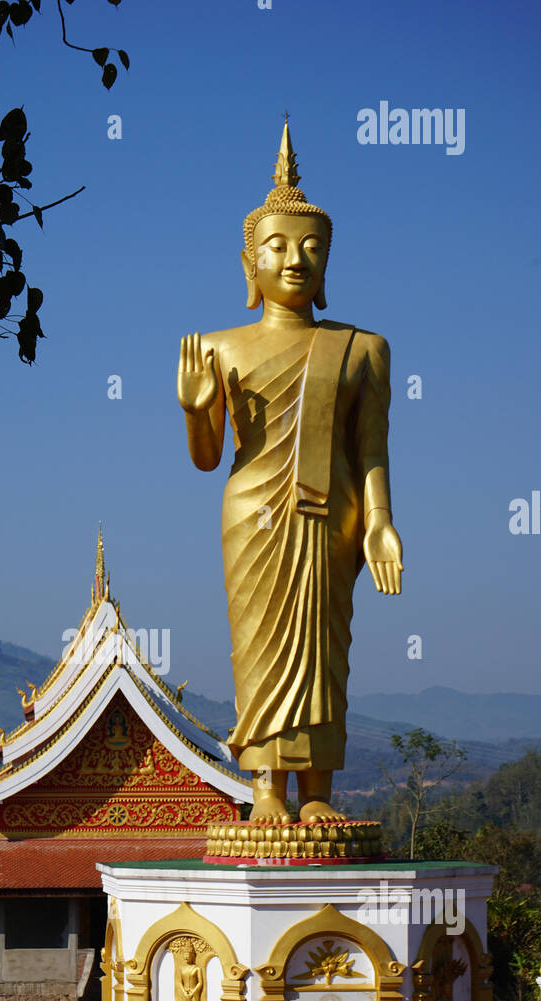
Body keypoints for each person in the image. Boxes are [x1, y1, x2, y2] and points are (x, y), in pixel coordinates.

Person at [178, 120, 403, 825]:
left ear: (329, 260)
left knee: (325, 649)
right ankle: (267, 789)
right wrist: (196, 410)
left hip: (332, 512)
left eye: (311, 247)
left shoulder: (362, 349)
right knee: (262, 648)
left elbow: (371, 449)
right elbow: (208, 457)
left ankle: (319, 794)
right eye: (278, 245)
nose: (295, 259)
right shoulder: (215, 347)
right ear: (250, 262)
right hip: (254, 513)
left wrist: (382, 522)